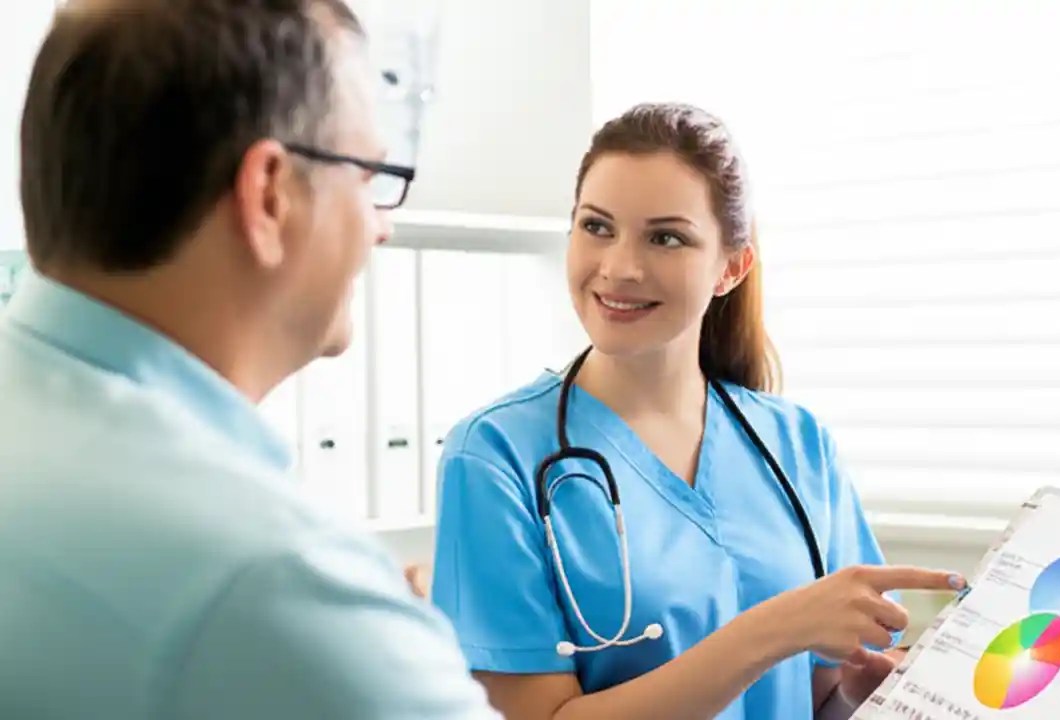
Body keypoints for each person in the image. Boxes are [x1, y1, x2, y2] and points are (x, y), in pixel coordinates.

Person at [0, 1, 497, 718]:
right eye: (371, 177)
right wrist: (385, 648)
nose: (381, 227)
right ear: (269, 195)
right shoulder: (278, 582)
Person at [429, 102, 968, 719]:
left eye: (666, 237)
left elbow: (816, 692)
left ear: (731, 267)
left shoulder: (797, 443)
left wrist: (861, 693)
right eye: (597, 227)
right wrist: (774, 630)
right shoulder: (495, 454)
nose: (619, 268)